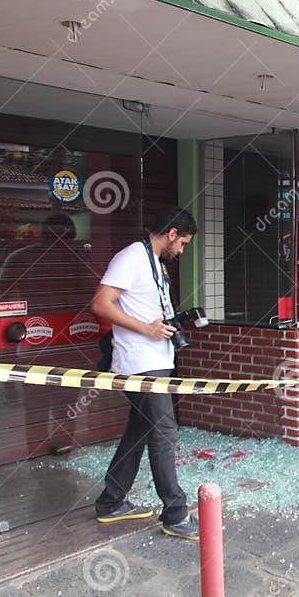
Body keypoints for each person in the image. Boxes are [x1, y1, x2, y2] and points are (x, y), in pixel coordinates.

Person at [91, 207, 200, 540]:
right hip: (140, 364)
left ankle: (111, 502)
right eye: (182, 243)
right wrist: (145, 330)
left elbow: (149, 311)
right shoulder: (131, 257)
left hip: (155, 359)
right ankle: (175, 514)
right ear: (171, 234)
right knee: (164, 433)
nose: (181, 251)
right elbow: (100, 304)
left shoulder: (155, 264)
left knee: (139, 430)